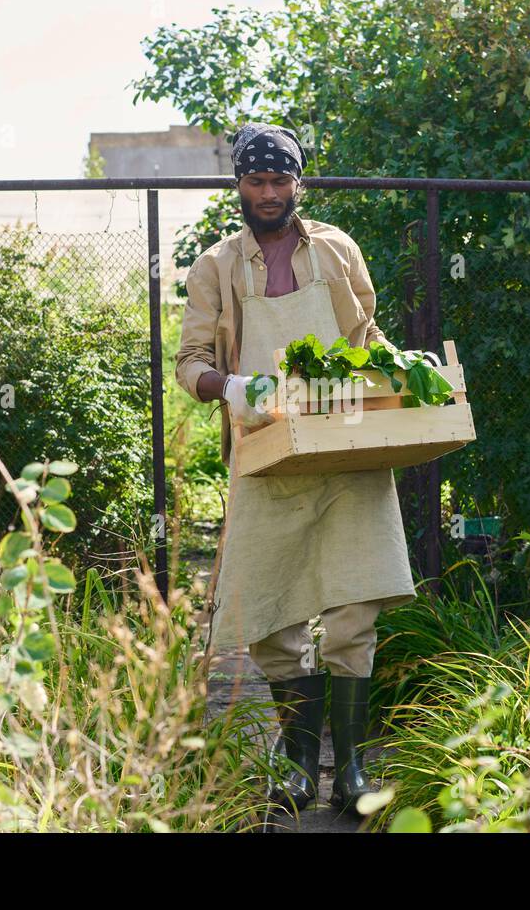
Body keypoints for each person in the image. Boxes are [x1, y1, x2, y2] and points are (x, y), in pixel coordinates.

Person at [174, 122, 416, 816]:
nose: (270, 193)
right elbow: (190, 361)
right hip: (265, 454)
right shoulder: (216, 267)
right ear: (240, 186)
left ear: (298, 183)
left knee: (352, 612)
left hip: (349, 449)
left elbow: (365, 339)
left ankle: (354, 771)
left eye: (282, 180)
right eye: (258, 180)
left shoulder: (337, 250)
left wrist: (404, 366)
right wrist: (228, 388)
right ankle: (299, 765)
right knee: (271, 620)